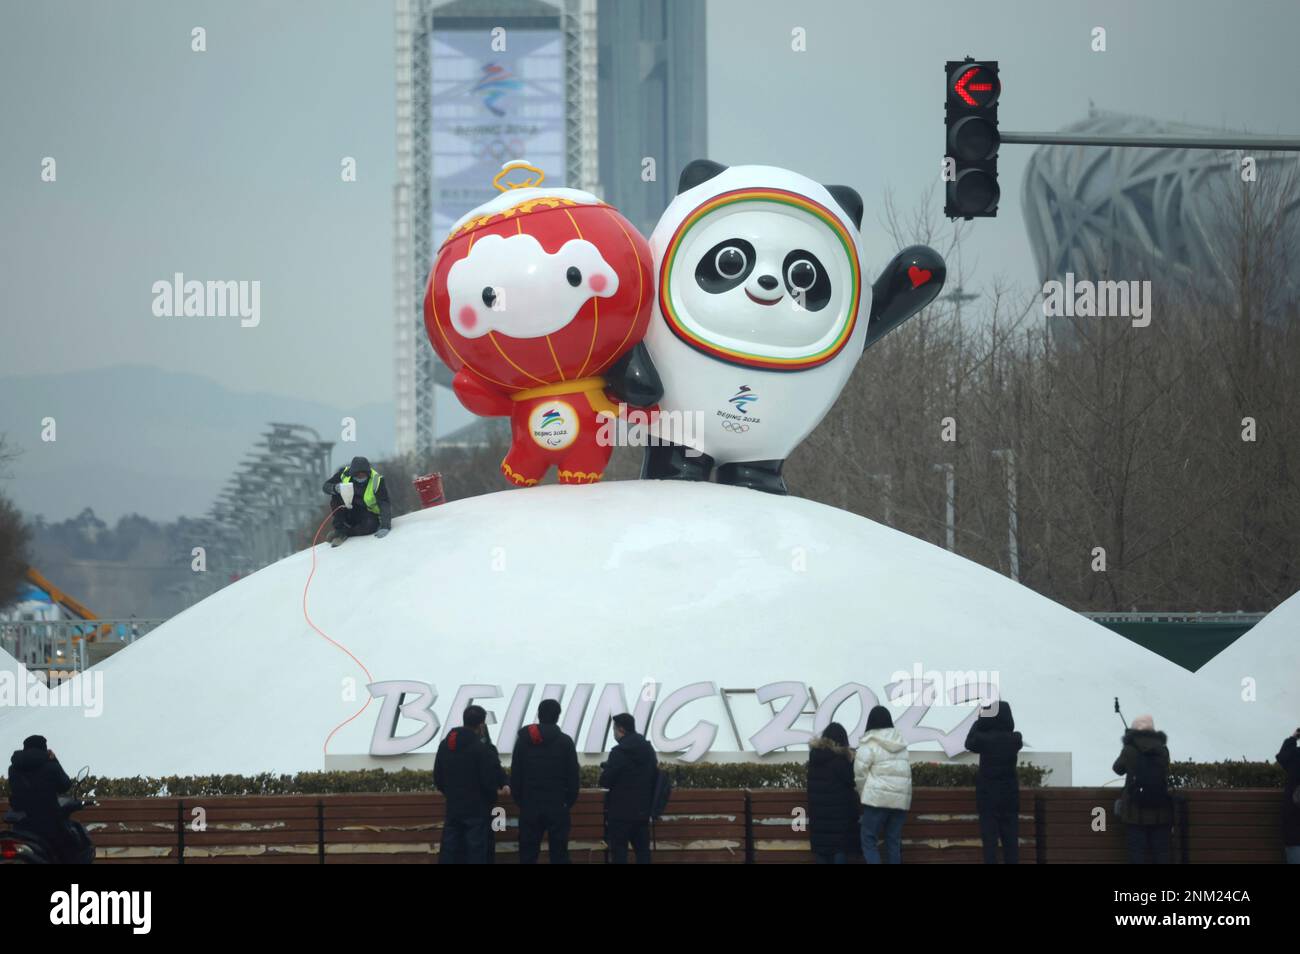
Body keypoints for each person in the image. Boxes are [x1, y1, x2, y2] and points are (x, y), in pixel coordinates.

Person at [433, 705, 505, 864]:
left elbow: (438, 777)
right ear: (481, 725)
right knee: (476, 851)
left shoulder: (445, 745)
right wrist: (491, 798)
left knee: (450, 850)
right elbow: (488, 781)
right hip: (477, 809)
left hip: (453, 806)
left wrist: (451, 794)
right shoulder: (481, 748)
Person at [511, 698, 580, 864]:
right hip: (558, 805)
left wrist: (522, 801)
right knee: (559, 853)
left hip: (530, 805)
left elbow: (516, 774)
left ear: (539, 715)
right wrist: (566, 802)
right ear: (558, 716)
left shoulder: (523, 741)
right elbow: (573, 776)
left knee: (528, 853)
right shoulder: (565, 742)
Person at [965, 699, 1024, 864]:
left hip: (988, 798)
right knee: (1011, 843)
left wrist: (979, 721)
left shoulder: (984, 739)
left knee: (990, 844)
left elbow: (969, 742)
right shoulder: (1015, 739)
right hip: (1010, 798)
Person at [854, 706, 912, 864]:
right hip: (900, 802)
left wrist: (864, 794)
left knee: (868, 839)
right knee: (893, 841)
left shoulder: (868, 744)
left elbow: (860, 774)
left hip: (876, 800)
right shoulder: (901, 744)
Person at [1112, 713, 1174, 864]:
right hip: (1161, 812)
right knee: (1162, 854)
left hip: (1134, 813)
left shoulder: (1129, 750)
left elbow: (1118, 769)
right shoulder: (1163, 750)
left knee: (1136, 854)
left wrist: (1128, 743)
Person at [599, 713, 658, 864]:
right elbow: (654, 775)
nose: (614, 733)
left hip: (620, 814)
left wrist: (604, 772)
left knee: (619, 854)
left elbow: (605, 781)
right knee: (643, 853)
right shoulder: (648, 750)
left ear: (621, 730)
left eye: (614, 729)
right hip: (642, 812)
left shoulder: (619, 752)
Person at [6, 735, 77, 862]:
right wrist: (55, 760)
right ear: (44, 748)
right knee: (69, 849)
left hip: (22, 823)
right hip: (48, 822)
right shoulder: (50, 765)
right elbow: (65, 785)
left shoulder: (13, 768)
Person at [806, 722, 859, 864]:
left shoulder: (814, 760)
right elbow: (851, 786)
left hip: (818, 822)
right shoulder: (842, 762)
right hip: (839, 823)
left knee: (822, 852)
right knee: (838, 852)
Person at [322, 455, 391, 546]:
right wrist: (334, 488)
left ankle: (345, 532)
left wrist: (385, 526)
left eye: (363, 474)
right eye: (357, 475)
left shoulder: (377, 480)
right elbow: (325, 486)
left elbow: (384, 503)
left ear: (368, 473)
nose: (360, 477)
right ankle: (339, 530)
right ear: (352, 474)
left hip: (367, 512)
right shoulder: (344, 474)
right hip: (348, 509)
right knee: (336, 497)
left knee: (370, 526)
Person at [1277, 727, 1300, 864]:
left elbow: (1282, 757)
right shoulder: (1296, 756)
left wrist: (1293, 738)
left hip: (1294, 835)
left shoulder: (1296, 756)